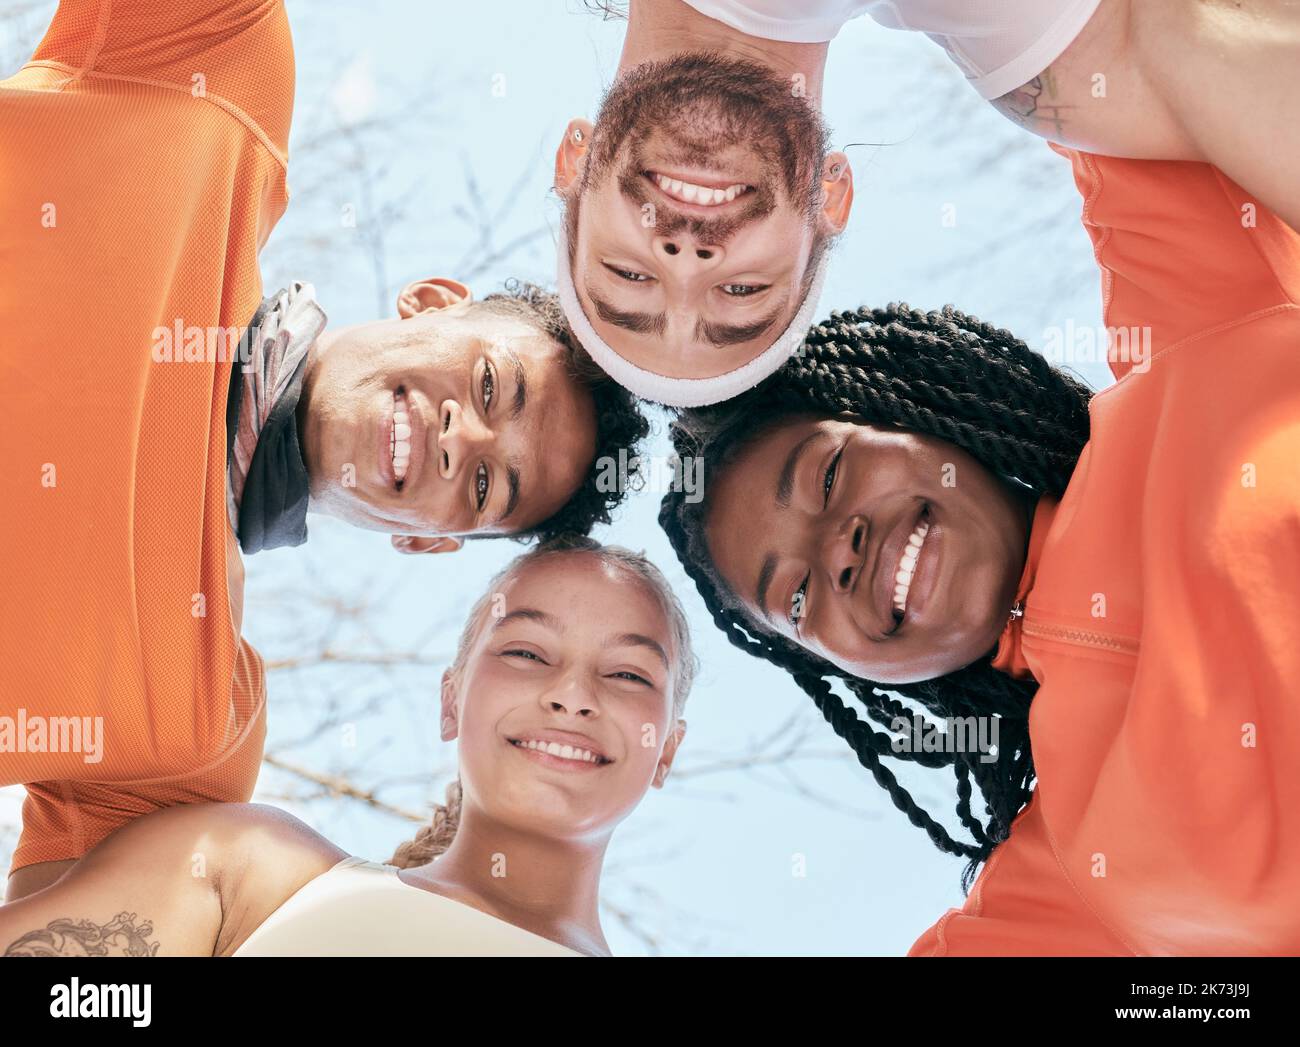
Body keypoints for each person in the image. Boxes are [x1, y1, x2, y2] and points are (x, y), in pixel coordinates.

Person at [0, 0, 647, 901]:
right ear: (432, 301)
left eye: (493, 486)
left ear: (426, 540)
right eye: (493, 386)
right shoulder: (217, 84)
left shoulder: (193, 736)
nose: (463, 439)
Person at [659, 145, 1300, 953]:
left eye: (828, 475)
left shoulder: (1196, 327)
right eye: (796, 599)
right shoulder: (1072, 882)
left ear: (915, 414)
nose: (839, 553)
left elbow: (1108, 62)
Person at [558, 0, 1299, 405]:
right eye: (743, 291)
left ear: (575, 160)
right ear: (830, 201)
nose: (688, 261)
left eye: (629, 278)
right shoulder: (1068, 64)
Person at [0, 537, 696, 957]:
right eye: (525, 651)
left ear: (666, 748)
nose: (572, 694)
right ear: (451, 699)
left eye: (628, 673)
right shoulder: (251, 870)